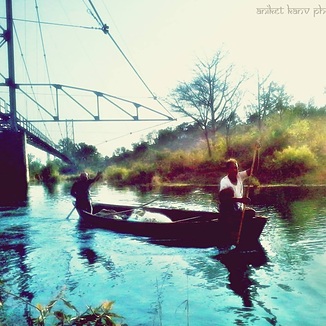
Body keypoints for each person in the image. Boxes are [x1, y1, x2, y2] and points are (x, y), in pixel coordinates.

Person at [218, 155, 257, 219]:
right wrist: (241, 200)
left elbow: (254, 169)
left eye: (236, 168)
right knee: (229, 192)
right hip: (228, 210)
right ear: (227, 170)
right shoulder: (224, 181)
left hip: (238, 209)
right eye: (232, 168)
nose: (234, 170)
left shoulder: (240, 176)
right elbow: (223, 199)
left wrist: (257, 151)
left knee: (251, 213)